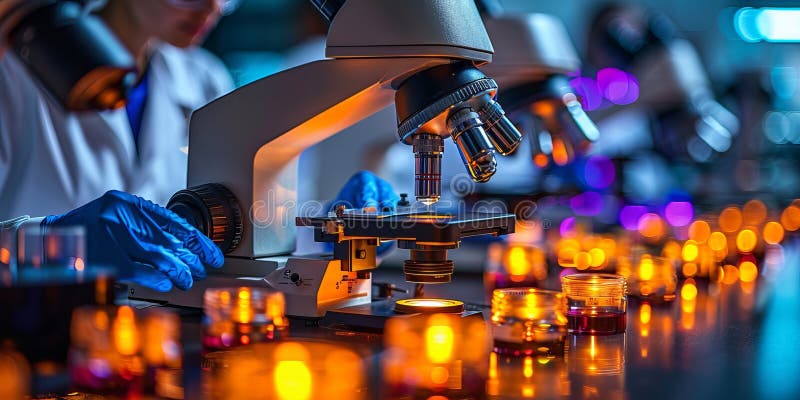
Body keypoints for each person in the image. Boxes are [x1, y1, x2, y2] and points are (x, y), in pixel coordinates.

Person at [0, 0, 399, 291]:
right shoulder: (11, 75)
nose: (210, 7)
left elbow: (234, 229)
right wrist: (55, 239)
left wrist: (334, 227)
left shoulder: (203, 78)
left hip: (154, 340)